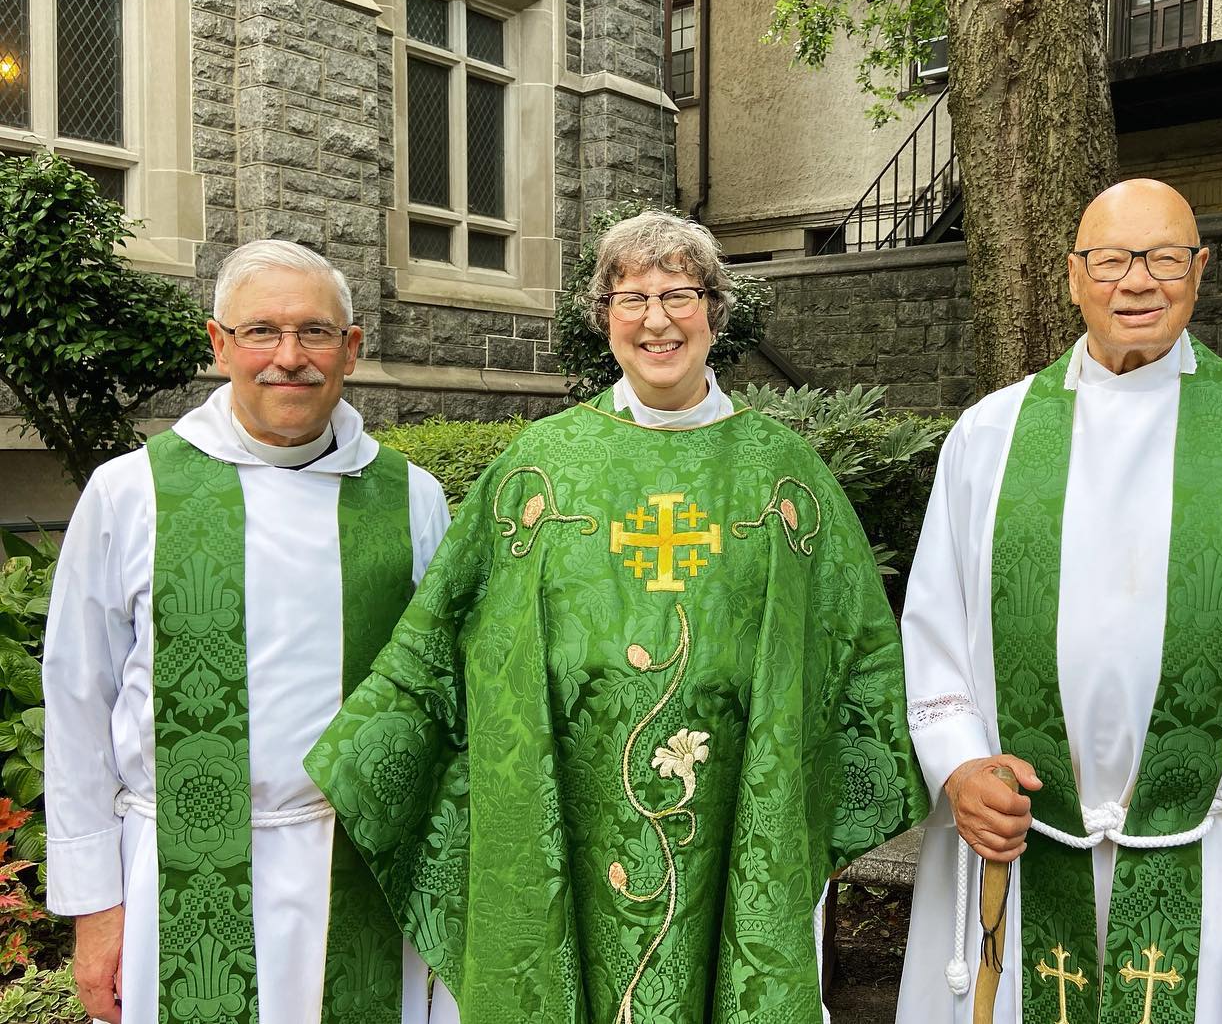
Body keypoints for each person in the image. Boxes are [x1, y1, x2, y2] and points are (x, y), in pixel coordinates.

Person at [304, 209, 929, 1022]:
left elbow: (857, 650)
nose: (657, 319)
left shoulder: (785, 473)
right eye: (631, 298)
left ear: (715, 309)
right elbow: (443, 638)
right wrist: (361, 754)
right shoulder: (540, 468)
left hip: (740, 816)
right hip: (565, 809)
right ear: (603, 318)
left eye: (680, 293)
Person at [896, 179, 1222, 1024]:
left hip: (1209, 854)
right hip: (1022, 851)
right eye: (1111, 259)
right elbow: (933, 626)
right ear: (1072, 276)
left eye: (1165, 257)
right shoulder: (990, 436)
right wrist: (958, 765)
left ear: (1199, 272)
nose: (1137, 281)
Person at [44, 240, 456, 1024]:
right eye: (261, 330)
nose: (288, 358)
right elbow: (74, 706)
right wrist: (94, 907)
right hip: (173, 873)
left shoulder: (412, 499)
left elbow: (443, 701)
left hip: (357, 877)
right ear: (219, 344)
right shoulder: (131, 492)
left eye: (316, 333)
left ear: (353, 348)